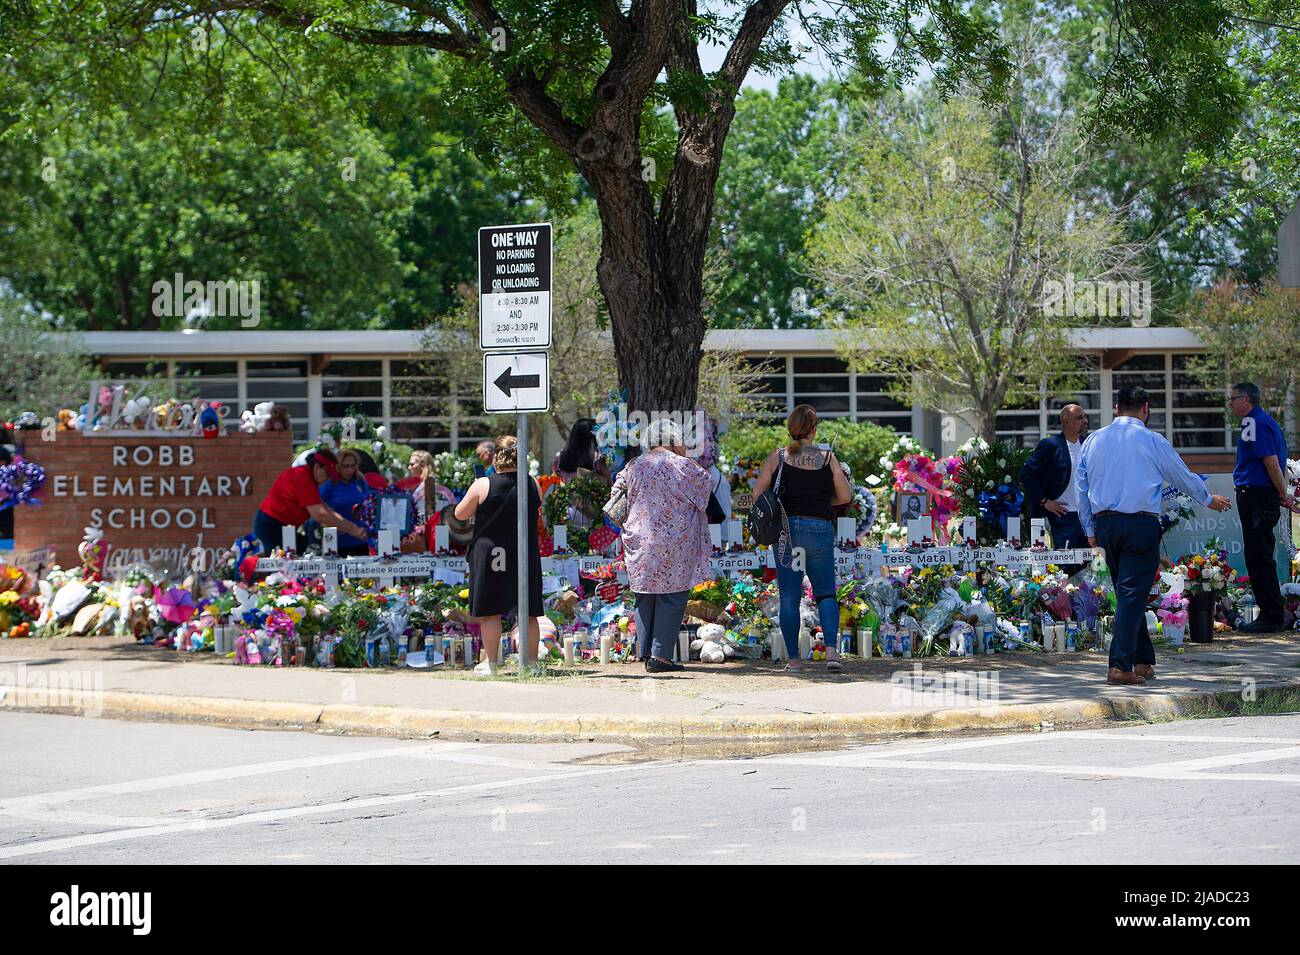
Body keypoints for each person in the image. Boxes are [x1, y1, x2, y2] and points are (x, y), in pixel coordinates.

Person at [1077, 385, 1232, 686]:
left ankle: (1143, 661)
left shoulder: (1093, 440)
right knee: (1132, 596)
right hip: (1139, 525)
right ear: (1146, 409)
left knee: (1128, 595)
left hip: (1105, 525)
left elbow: (1081, 489)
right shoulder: (1151, 440)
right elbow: (1180, 474)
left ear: (1117, 409)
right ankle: (1118, 665)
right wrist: (1207, 498)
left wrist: (1089, 529)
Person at [752, 404, 853, 671]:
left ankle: (794, 660)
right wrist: (820, 501)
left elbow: (757, 496)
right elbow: (845, 497)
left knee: (789, 597)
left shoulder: (777, 457)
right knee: (826, 594)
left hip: (788, 532)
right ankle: (832, 654)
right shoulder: (827, 457)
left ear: (790, 428)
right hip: (819, 529)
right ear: (813, 429)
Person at [613, 418, 713, 673]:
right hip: (674, 542)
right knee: (672, 596)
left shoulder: (634, 465)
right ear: (672, 441)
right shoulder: (683, 466)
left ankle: (645, 652)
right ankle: (661, 658)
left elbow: (616, 494)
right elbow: (705, 489)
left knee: (644, 596)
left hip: (640, 541)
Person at [454, 435, 545, 675]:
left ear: (496, 455)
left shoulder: (483, 484)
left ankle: (492, 662)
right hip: (523, 552)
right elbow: (537, 508)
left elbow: (460, 514)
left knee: (490, 611)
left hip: (491, 553)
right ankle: (532, 663)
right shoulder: (532, 483)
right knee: (528, 611)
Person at [1229, 382, 1297, 632]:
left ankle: (1270, 616)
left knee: (1258, 556)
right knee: (1260, 554)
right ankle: (1272, 613)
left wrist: (1284, 494)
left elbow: (1272, 464)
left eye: (1233, 398)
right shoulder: (1267, 422)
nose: (1231, 403)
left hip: (1256, 495)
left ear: (1246, 399)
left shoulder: (1252, 422)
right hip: (1262, 494)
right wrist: (1283, 491)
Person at [254, 449, 369, 556]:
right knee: (282, 562)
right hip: (271, 524)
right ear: (317, 467)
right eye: (327, 474)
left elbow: (325, 509)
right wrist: (352, 529)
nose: (327, 479)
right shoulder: (302, 476)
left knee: (302, 548)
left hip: (284, 526)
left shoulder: (310, 479)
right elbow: (320, 514)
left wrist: (346, 526)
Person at [1019, 404, 1089, 549]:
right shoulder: (1051, 445)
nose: (1085, 420)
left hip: (1085, 516)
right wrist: (1045, 501)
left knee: (1086, 566)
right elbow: (1027, 474)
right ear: (1066, 421)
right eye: (1079, 418)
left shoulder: (1087, 443)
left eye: (1085, 417)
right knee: (1063, 566)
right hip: (1061, 516)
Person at [319, 449, 372, 557]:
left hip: (359, 539)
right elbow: (319, 507)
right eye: (346, 466)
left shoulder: (360, 481)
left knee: (361, 573)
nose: (350, 470)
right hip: (336, 540)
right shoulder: (329, 484)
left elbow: (370, 502)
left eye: (352, 466)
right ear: (338, 466)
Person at [552, 417, 611, 483]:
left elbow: (556, 479)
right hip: (592, 492)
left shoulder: (559, 457)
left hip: (567, 492)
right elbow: (609, 482)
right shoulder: (597, 459)